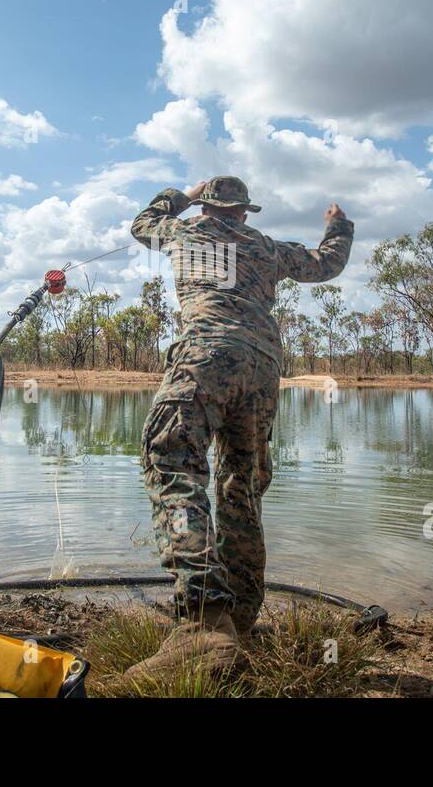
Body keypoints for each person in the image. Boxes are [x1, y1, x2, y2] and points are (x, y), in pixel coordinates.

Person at [126, 175, 353, 678]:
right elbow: (327, 264)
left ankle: (204, 623)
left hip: (206, 352)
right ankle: (240, 623)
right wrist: (337, 226)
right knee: (241, 485)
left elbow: (143, 223)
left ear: (207, 210)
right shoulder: (269, 248)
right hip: (264, 366)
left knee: (171, 460)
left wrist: (181, 196)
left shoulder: (186, 232)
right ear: (245, 213)